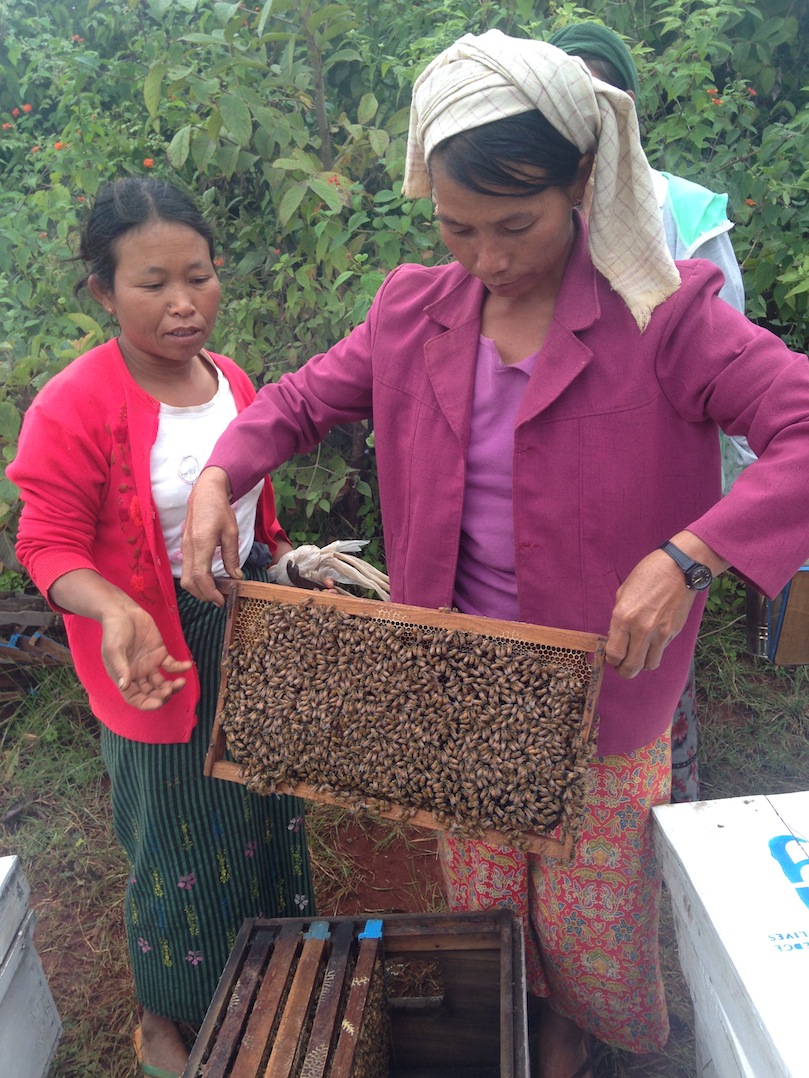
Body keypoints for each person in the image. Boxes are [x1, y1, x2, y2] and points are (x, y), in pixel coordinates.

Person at [177, 30, 809, 1078]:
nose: (487, 258)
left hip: (605, 684)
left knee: (592, 921)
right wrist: (219, 473)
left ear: (581, 184)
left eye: (513, 225)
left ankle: (584, 1039)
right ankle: (514, 1027)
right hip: (458, 677)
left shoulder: (664, 318)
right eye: (457, 228)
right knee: (483, 900)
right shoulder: (412, 312)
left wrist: (690, 553)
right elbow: (293, 401)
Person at [6, 178, 314, 1078]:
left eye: (200, 276)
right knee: (175, 833)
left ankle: (267, 960)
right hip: (155, 656)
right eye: (152, 283)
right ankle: (167, 1013)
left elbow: (255, 512)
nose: (184, 303)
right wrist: (113, 608)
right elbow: (46, 541)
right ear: (103, 289)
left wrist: (285, 563)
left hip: (246, 628)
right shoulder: (74, 404)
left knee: (260, 807)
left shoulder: (234, 382)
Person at [548, 20, 753, 803]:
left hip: (657, 464)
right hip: (569, 466)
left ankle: (665, 808)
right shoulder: (526, 201)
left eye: (606, 90)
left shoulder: (685, 208)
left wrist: (715, 523)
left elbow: (726, 359)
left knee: (653, 654)